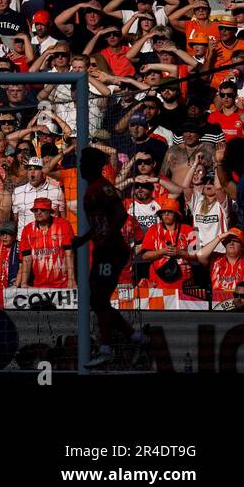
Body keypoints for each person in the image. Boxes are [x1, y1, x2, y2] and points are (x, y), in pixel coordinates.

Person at [67, 147, 150, 367]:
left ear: (94, 165)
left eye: (84, 163)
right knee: (96, 299)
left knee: (99, 299)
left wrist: (106, 238)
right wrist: (83, 240)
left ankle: (107, 348)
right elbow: (100, 224)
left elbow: (120, 215)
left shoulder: (103, 187)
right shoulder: (92, 188)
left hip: (113, 251)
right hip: (105, 249)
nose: (81, 167)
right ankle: (135, 337)